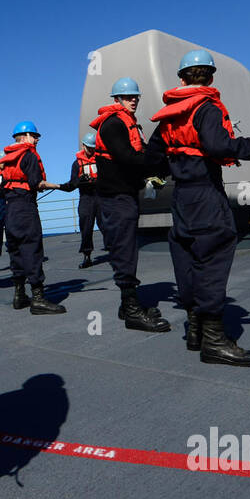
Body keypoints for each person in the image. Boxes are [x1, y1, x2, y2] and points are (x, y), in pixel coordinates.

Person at [147, 49, 250, 365]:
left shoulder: (169, 115)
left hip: (182, 196)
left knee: (188, 254)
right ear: (211, 77)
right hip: (206, 193)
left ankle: (195, 329)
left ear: (181, 79)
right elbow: (219, 146)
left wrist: (171, 167)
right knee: (214, 256)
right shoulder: (207, 108)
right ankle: (214, 341)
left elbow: (152, 157)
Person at [89, 78, 170, 333]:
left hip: (124, 195)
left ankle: (127, 306)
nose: (132, 99)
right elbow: (128, 157)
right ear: (116, 100)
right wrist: (162, 165)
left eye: (135, 96)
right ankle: (132, 311)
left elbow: (140, 155)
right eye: (126, 97)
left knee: (128, 247)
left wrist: (156, 166)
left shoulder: (131, 124)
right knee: (124, 250)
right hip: (115, 198)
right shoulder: (114, 124)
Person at [0, 121, 67, 315]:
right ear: (25, 136)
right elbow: (36, 183)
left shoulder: (7, 159)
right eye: (34, 135)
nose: (37, 139)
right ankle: (38, 299)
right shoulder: (29, 156)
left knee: (16, 250)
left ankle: (19, 295)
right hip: (26, 208)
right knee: (32, 249)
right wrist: (60, 186)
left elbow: (3, 186)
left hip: (10, 210)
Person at [60, 132, 102, 269]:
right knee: (86, 227)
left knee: (107, 224)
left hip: (101, 195)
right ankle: (87, 256)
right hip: (86, 198)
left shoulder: (100, 159)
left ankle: (114, 250)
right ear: (83, 145)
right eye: (89, 147)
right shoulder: (76, 164)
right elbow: (72, 184)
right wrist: (79, 180)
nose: (91, 150)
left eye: (93, 148)